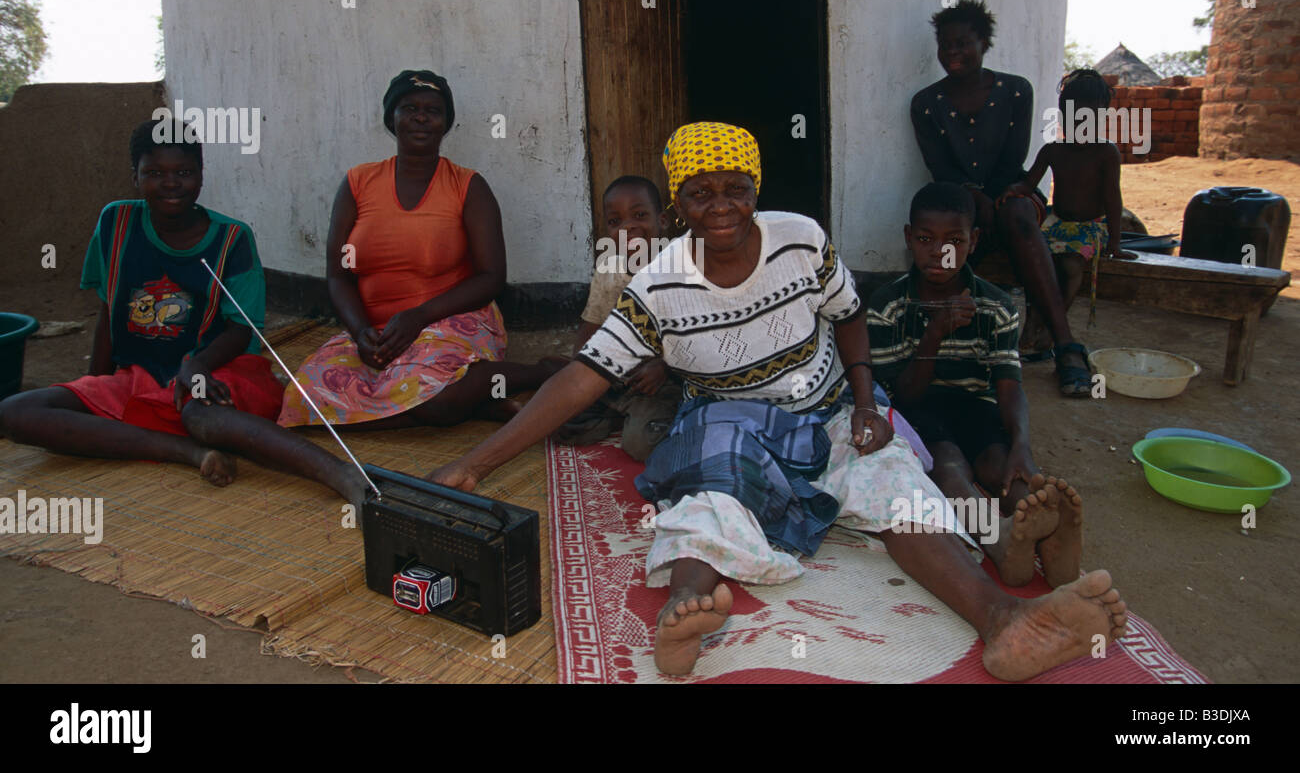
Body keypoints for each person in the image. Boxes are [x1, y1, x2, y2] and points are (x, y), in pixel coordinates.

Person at [429, 121, 1127, 681]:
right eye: (700, 193)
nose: (722, 205)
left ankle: (1002, 618)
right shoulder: (658, 284)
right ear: (677, 206)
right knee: (709, 496)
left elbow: (849, 314)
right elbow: (581, 376)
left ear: (756, 189)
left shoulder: (802, 240)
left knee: (890, 486)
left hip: (825, 404)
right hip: (726, 415)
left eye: (736, 188)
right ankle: (686, 613)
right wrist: (476, 463)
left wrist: (862, 400)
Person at [0, 121, 368, 506]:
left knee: (200, 415)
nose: (171, 183)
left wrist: (196, 366)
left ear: (201, 175)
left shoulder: (232, 238)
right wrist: (94, 385)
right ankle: (189, 452)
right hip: (140, 376)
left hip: (217, 371)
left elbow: (240, 329)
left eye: (184, 172)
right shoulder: (116, 223)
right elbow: (109, 310)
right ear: (135, 177)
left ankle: (341, 475)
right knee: (14, 412)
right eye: (155, 173)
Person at [277, 70, 563, 431]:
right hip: (379, 331)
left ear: (446, 123)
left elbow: (492, 278)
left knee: (437, 395)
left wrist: (418, 316)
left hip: (449, 321)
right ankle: (476, 403)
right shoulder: (357, 183)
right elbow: (338, 275)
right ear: (391, 119)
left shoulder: (467, 186)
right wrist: (361, 331)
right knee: (301, 397)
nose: (422, 117)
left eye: (434, 110)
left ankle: (536, 373)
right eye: (409, 107)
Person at [867, 182, 1083, 588]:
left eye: (954, 240)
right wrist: (935, 332)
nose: (940, 252)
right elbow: (905, 395)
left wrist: (1022, 443)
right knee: (949, 468)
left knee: (1004, 468)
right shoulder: (887, 306)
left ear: (974, 241)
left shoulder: (995, 305)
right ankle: (999, 542)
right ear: (908, 238)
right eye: (926, 239)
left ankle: (1051, 539)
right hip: (918, 411)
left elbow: (1008, 384)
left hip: (975, 405)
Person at [910, 0, 1091, 397]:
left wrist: (992, 203)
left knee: (1018, 215)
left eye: (962, 43)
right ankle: (945, 348)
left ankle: (1066, 347)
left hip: (1010, 193)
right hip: (961, 197)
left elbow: (1013, 164)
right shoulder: (926, 104)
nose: (952, 52)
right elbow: (942, 170)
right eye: (945, 45)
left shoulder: (1015, 90)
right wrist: (974, 201)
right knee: (944, 222)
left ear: (984, 43)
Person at [553, 175, 681, 460]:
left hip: (661, 382)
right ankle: (614, 413)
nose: (628, 227)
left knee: (641, 446)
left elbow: (694, 339)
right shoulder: (609, 268)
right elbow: (590, 328)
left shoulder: (681, 269)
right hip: (611, 379)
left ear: (662, 220)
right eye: (615, 221)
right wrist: (579, 376)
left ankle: (633, 418)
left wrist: (665, 367)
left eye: (639, 215)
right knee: (562, 425)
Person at [1002, 69, 1138, 330]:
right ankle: (1033, 323)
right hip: (1057, 223)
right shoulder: (1053, 150)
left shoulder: (1106, 153)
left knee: (1072, 267)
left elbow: (1113, 200)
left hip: (1091, 228)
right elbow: (1028, 184)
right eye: (1076, 118)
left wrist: (1115, 242)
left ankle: (1055, 326)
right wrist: (1013, 190)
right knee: (1037, 265)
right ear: (1063, 115)